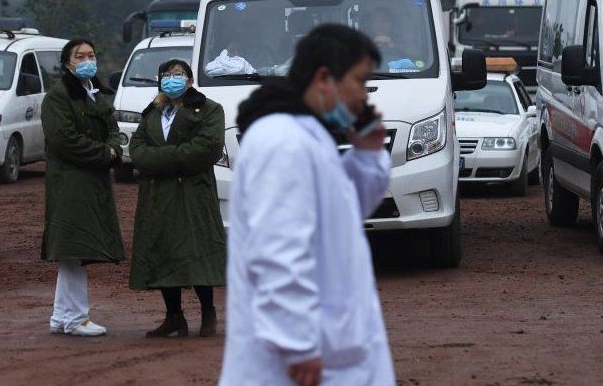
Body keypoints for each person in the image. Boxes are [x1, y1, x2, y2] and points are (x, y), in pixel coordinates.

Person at [220, 24, 394, 386]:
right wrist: (297, 343)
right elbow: (277, 250)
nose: (365, 95)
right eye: (360, 81)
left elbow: (342, 220)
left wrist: (368, 155)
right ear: (325, 78)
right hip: (299, 361)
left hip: (333, 348)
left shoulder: (309, 137)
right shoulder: (283, 142)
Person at [129, 59, 226, 338]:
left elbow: (206, 149)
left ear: (190, 80)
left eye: (178, 74)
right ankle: (174, 318)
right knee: (164, 253)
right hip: (158, 195)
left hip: (192, 194)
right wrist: (172, 157)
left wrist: (159, 160)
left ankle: (208, 313)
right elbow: (136, 150)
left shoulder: (209, 110)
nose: (173, 79)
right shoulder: (153, 113)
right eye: (167, 74)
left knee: (197, 252)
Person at [41, 38, 124, 337]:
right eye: (80, 56)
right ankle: (77, 318)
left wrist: (113, 149)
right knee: (75, 247)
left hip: (93, 181)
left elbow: (113, 130)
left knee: (71, 250)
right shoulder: (58, 97)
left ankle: (61, 316)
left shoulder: (97, 95)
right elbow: (63, 139)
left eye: (91, 54)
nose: (88, 60)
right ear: (67, 63)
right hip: (71, 183)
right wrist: (105, 154)